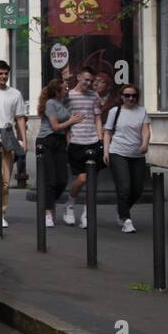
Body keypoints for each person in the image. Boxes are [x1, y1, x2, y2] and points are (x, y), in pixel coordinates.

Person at [103, 85, 152, 233]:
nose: (131, 98)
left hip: (137, 154)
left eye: (134, 96)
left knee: (137, 189)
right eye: (127, 95)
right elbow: (107, 132)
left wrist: (145, 144)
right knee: (124, 187)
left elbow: (145, 130)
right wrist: (106, 151)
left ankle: (121, 210)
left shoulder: (142, 111)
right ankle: (126, 220)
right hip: (118, 152)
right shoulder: (115, 111)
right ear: (122, 96)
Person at [0, 60, 27, 225]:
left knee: (5, 180)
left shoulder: (15, 94)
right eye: (0, 74)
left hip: (8, 138)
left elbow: (20, 118)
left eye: (5, 74)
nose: (3, 77)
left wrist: (24, 140)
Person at [36, 77, 81, 228]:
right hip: (47, 140)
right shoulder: (50, 103)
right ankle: (48, 211)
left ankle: (48, 202)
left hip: (60, 141)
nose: (67, 90)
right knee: (51, 179)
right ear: (57, 91)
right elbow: (55, 126)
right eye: (65, 88)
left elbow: (64, 127)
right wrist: (72, 121)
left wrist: (68, 133)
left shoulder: (64, 103)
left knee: (62, 179)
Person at [62, 67, 104, 228]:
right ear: (79, 77)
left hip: (92, 141)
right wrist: (67, 137)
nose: (88, 83)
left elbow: (98, 119)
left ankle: (87, 213)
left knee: (91, 180)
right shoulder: (69, 96)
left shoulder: (94, 96)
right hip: (76, 143)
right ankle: (69, 204)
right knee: (82, 179)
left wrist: (100, 140)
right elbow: (63, 118)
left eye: (91, 81)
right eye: (86, 79)